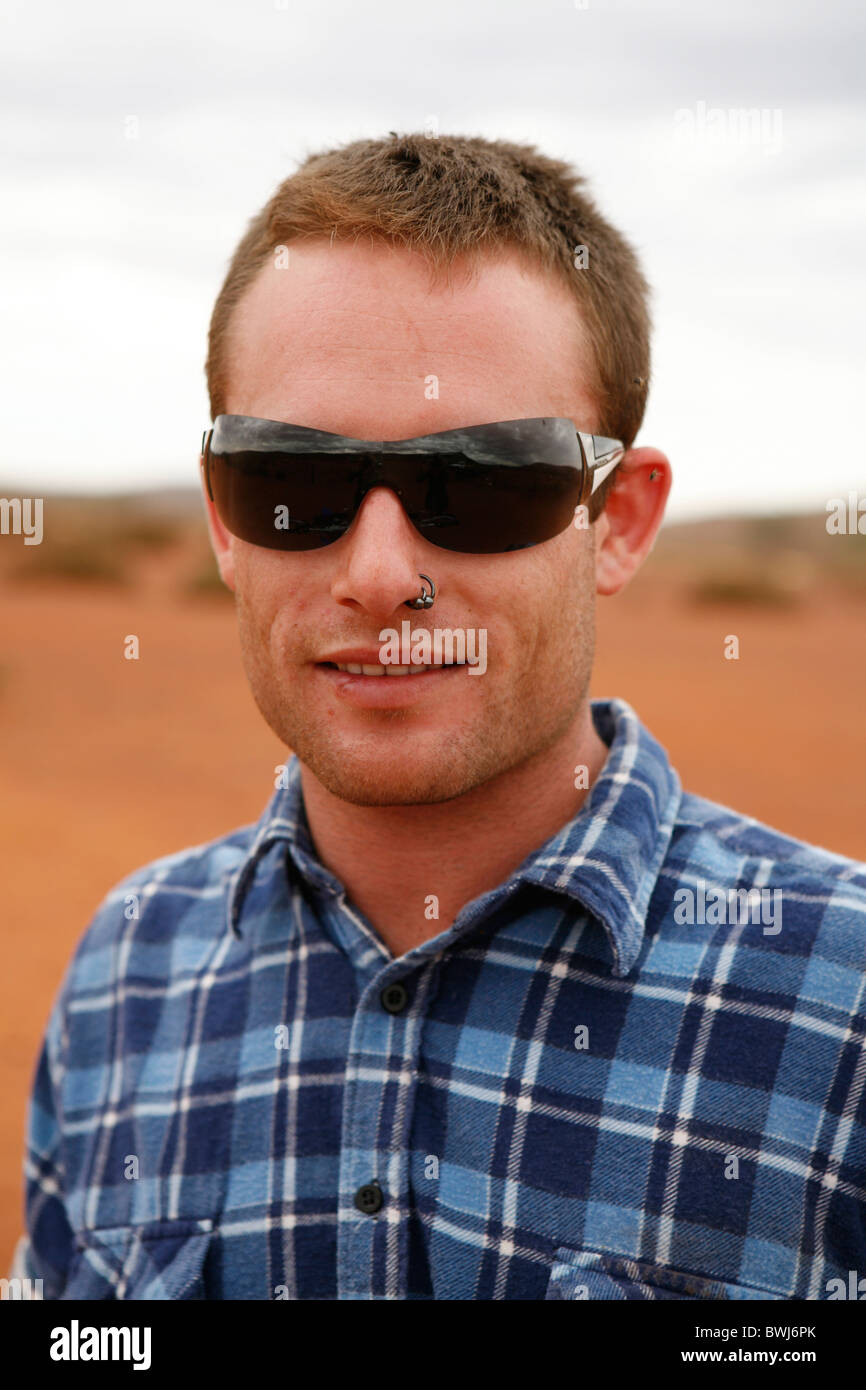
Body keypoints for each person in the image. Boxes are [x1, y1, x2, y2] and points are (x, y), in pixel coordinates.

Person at [15, 133, 866, 1301]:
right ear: (220, 517)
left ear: (613, 517)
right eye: (291, 482)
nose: (377, 574)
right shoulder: (127, 973)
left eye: (480, 483)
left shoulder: (843, 997)